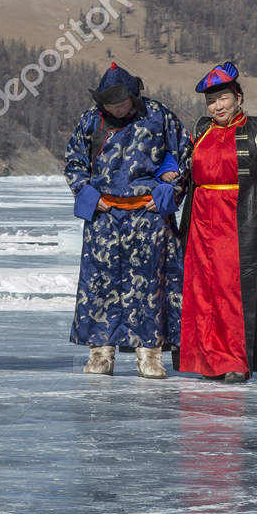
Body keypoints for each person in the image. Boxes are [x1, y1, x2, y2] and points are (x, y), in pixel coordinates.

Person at [64, 63, 190, 378]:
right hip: (105, 216)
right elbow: (74, 163)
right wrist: (91, 198)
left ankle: (150, 355)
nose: (117, 109)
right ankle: (100, 355)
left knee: (149, 285)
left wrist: (165, 195)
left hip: (148, 216)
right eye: (111, 105)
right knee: (100, 285)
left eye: (122, 103)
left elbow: (185, 156)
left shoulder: (159, 116)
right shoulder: (91, 121)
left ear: (133, 97)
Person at [176, 63, 257, 383]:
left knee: (231, 291)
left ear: (238, 97)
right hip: (200, 219)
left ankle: (234, 361)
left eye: (224, 98)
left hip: (238, 220)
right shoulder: (200, 131)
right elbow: (182, 171)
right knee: (200, 291)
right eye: (212, 102)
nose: (218, 106)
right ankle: (207, 360)